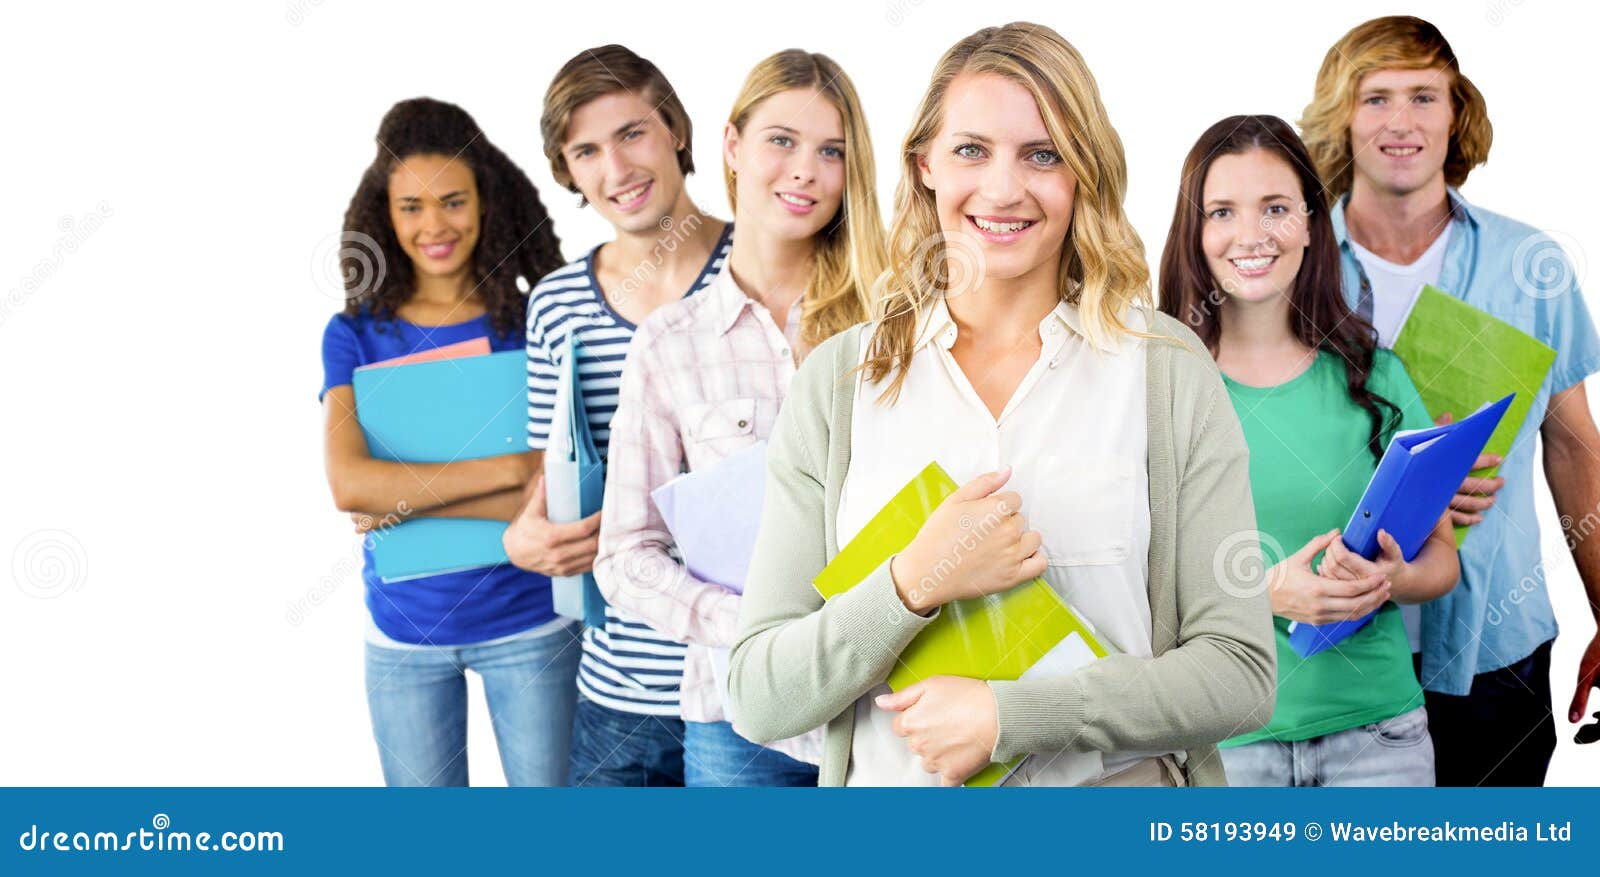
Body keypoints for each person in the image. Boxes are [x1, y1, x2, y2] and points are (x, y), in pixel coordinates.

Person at [725, 22, 1275, 787]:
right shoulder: (840, 381)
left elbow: (1240, 674)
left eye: (1043, 155)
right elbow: (757, 695)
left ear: (1084, 171)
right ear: (924, 165)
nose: (1005, 188)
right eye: (972, 150)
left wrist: (1012, 714)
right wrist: (911, 582)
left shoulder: (1166, 371)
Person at [1302, 15, 1600, 785]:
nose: (1401, 122)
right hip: (1330, 651)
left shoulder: (1529, 263)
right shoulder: (1287, 264)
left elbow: (1573, 446)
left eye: (1424, 97)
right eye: (1376, 99)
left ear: (1457, 113)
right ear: (1342, 117)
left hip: (1495, 653)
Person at [594, 49, 888, 786]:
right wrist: (755, 628)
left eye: (831, 152)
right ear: (731, 146)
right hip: (739, 721)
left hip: (885, 700)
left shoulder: (895, 326)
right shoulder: (670, 343)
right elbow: (624, 556)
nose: (805, 171)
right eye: (781, 141)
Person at [1159, 114, 1459, 786]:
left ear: (1311, 224)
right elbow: (1133, 577)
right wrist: (1266, 591)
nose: (1251, 235)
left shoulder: (1376, 376)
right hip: (1225, 745)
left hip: (1380, 739)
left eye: (1275, 208)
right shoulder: (1164, 386)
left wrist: (1391, 579)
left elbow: (1441, 560)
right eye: (1222, 212)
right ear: (1195, 232)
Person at [320, 97, 575, 786]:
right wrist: (509, 469)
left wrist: (401, 502)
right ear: (385, 212)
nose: (433, 225)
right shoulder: (354, 333)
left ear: (485, 200)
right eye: (411, 206)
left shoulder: (535, 320)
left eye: (453, 201)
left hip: (529, 627)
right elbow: (349, 485)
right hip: (403, 637)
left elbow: (553, 499)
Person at [507, 45, 732, 786]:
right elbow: (548, 480)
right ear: (567, 171)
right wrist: (525, 536)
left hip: (744, 683)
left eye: (632, 133)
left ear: (675, 130)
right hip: (618, 698)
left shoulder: (763, 264)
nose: (617, 169)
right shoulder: (557, 304)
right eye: (586, 151)